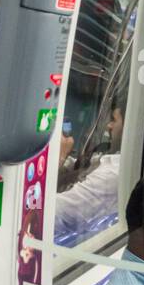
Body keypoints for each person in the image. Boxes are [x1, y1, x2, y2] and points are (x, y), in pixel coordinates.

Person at [54, 90, 127, 241]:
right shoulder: (109, 159)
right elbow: (81, 169)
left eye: (114, 120)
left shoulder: (113, 174)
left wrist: (59, 158)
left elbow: (54, 214)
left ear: (129, 126)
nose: (109, 126)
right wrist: (64, 158)